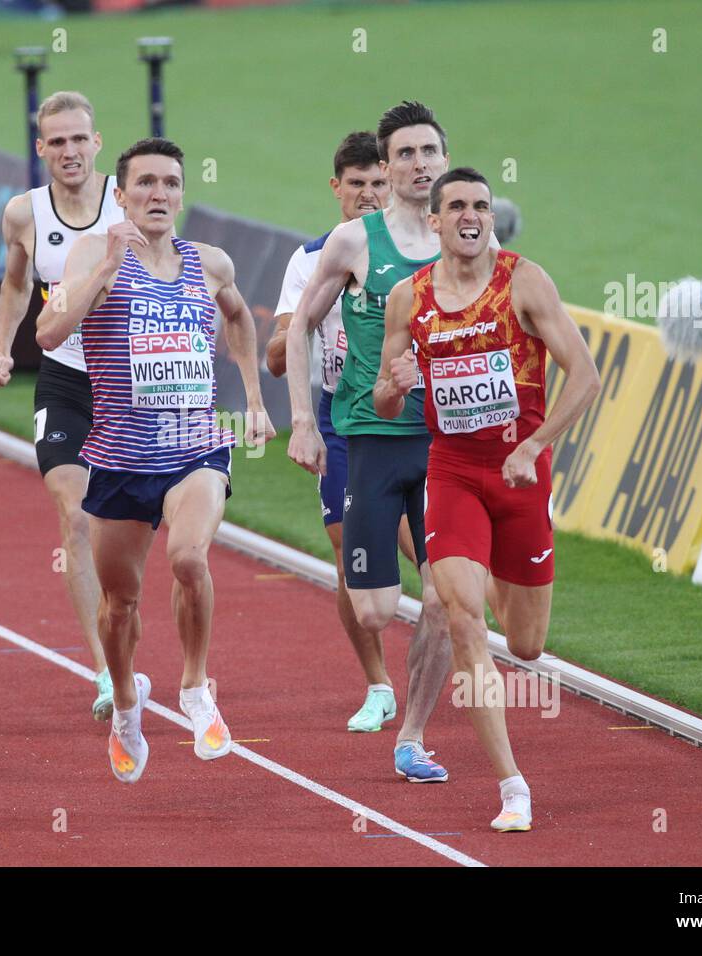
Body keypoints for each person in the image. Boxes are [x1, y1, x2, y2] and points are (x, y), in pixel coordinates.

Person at [38, 137, 274, 783]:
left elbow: (240, 319)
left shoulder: (211, 262)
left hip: (195, 446)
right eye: (145, 183)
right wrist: (102, 273)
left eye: (170, 183)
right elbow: (49, 333)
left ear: (182, 192)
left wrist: (252, 396)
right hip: (118, 455)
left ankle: (196, 688)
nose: (159, 194)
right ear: (120, 195)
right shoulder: (93, 254)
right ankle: (125, 705)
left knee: (189, 557)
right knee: (120, 605)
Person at [376, 166, 600, 831]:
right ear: (435, 221)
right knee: (462, 619)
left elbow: (585, 377)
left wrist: (535, 447)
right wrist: (398, 382)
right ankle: (512, 786)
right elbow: (386, 404)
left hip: (521, 478)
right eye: (457, 207)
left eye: (481, 205)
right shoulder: (407, 298)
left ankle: (500, 579)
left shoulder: (523, 282)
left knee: (526, 646)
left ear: (489, 219)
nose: (471, 216)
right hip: (452, 475)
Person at [286, 101, 504, 782]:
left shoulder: (472, 243)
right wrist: (300, 418)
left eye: (427, 153)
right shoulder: (354, 243)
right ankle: (388, 674)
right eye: (403, 155)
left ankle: (411, 736)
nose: (417, 165)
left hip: (445, 449)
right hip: (371, 440)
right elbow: (299, 328)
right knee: (378, 608)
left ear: (445, 160)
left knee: (445, 601)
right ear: (385, 167)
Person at [266, 130, 419, 732]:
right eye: (355, 184)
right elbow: (278, 357)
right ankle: (379, 684)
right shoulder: (312, 260)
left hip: (413, 418)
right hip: (341, 419)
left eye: (377, 183)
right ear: (336, 188)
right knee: (344, 549)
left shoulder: (414, 246)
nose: (367, 194)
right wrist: (311, 313)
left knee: (427, 550)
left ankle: (450, 650)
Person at [0, 91, 120, 720]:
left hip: (127, 385)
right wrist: (3, 351)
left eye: (78, 139)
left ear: (97, 143)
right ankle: (105, 672)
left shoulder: (130, 202)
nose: (69, 151)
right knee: (76, 517)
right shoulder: (24, 214)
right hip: (64, 383)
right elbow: (16, 283)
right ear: (41, 149)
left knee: (129, 528)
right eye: (56, 141)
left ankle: (130, 633)